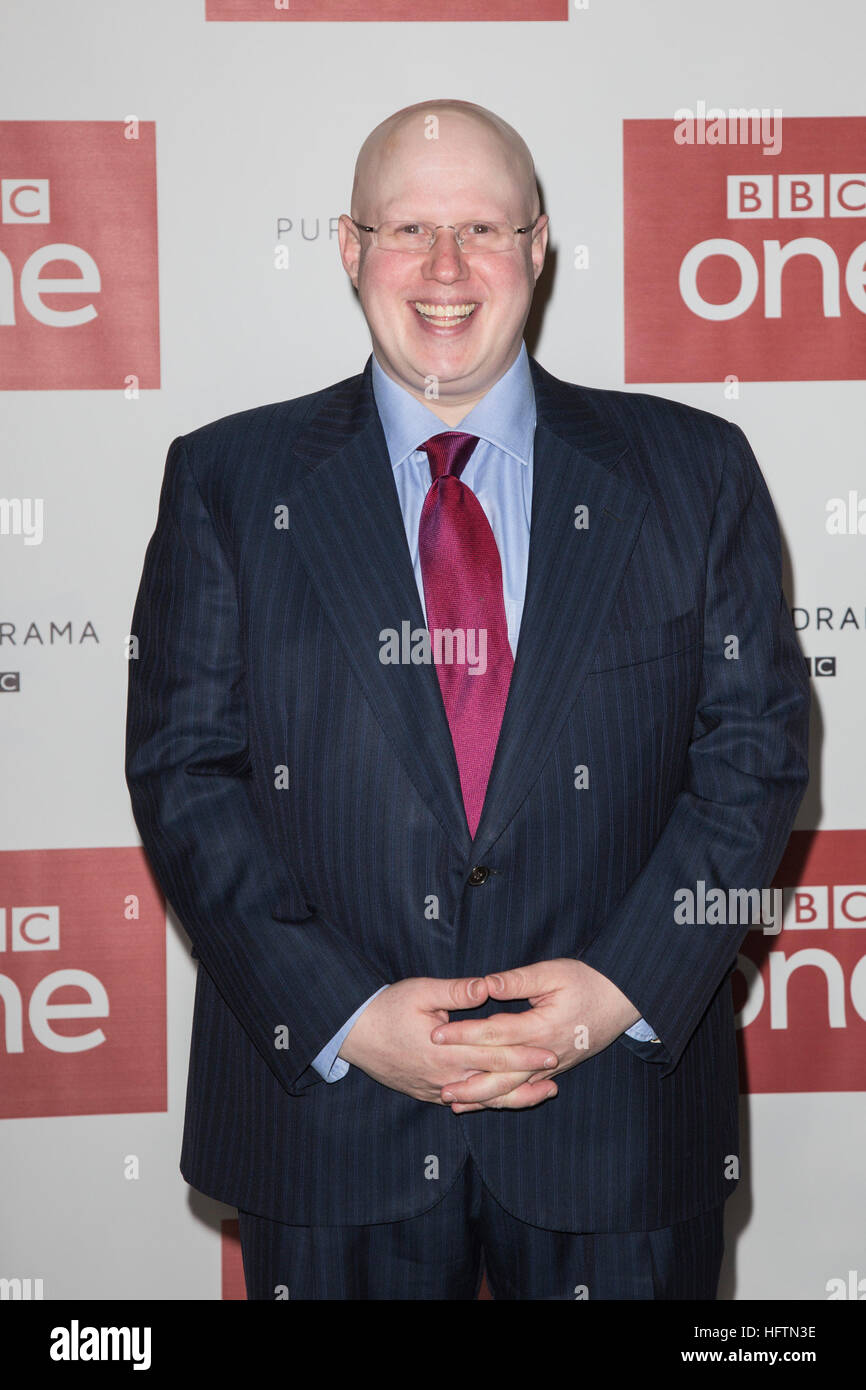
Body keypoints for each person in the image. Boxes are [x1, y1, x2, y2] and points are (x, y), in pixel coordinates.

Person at [125, 99, 810, 1300]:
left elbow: (753, 755)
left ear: (537, 249)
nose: (444, 270)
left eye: (483, 229)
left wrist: (611, 995)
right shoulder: (226, 480)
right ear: (348, 248)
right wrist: (342, 1016)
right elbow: (183, 773)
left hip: (615, 1119)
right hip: (329, 1125)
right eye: (407, 230)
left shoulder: (691, 473)